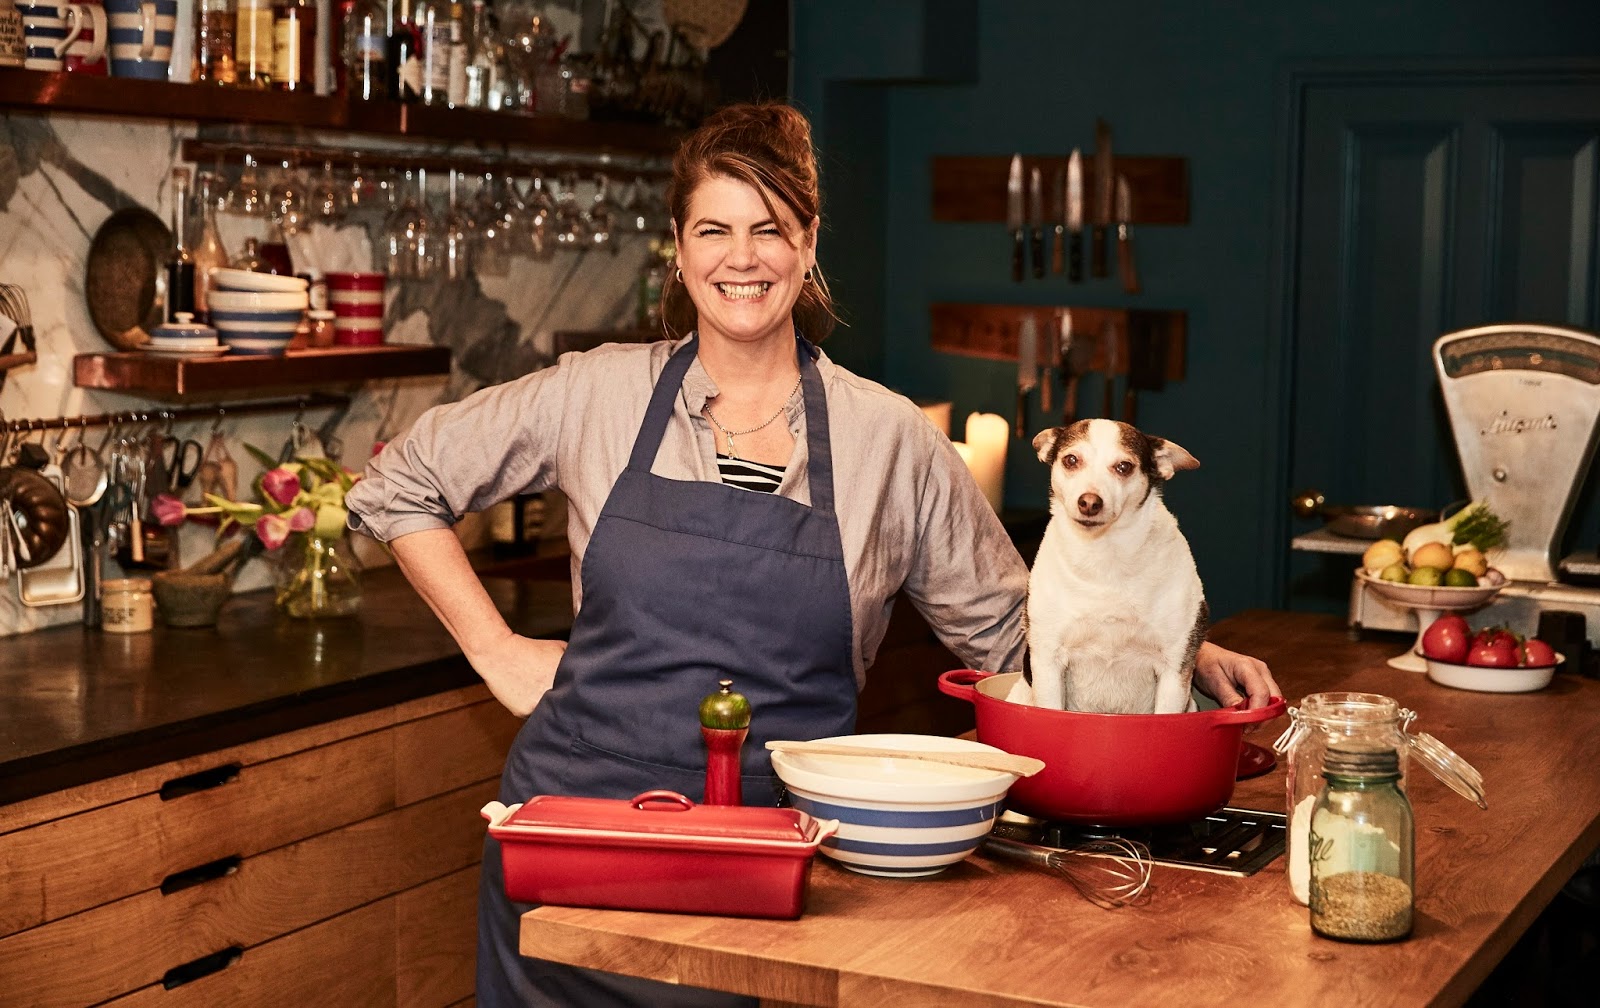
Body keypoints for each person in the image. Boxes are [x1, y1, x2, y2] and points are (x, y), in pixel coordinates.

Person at [345, 102, 1280, 1007]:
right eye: (714, 229)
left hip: (787, 854)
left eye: (771, 228)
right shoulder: (596, 393)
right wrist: (496, 650)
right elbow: (397, 487)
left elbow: (1012, 629)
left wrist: (1178, 648)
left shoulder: (889, 438)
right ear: (679, 246)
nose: (742, 258)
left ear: (810, 239)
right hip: (581, 839)